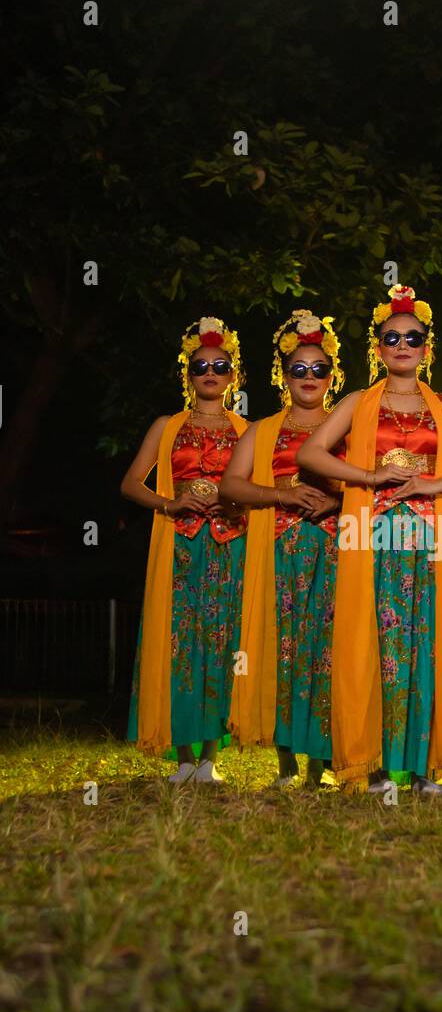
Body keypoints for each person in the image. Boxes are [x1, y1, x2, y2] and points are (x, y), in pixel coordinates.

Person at [297, 282, 442, 794]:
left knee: (427, 645)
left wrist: (436, 484)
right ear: (379, 348)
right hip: (371, 533)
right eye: (392, 338)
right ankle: (380, 766)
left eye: (412, 337)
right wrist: (365, 478)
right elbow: (310, 455)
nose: (403, 345)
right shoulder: (357, 402)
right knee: (377, 645)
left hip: (429, 538)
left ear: (426, 348)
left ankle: (429, 766)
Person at [220, 310, 344, 787]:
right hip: (280, 553)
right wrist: (282, 494)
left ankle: (322, 761)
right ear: (283, 375)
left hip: (336, 551)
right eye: (299, 369)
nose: (309, 377)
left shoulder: (347, 427)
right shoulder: (262, 431)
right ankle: (287, 762)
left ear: (331, 376)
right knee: (284, 650)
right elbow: (232, 486)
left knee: (327, 651)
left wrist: (334, 499)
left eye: (319, 369)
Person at [123, 316, 248, 783]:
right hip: (180, 549)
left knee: (223, 644)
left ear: (233, 375)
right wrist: (170, 503)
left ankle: (210, 760)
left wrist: (231, 499)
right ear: (189, 374)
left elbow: (258, 488)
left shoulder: (245, 428)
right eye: (201, 366)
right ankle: (182, 758)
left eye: (220, 365)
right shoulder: (167, 426)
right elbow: (131, 483)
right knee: (178, 645)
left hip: (229, 546)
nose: (210, 372)